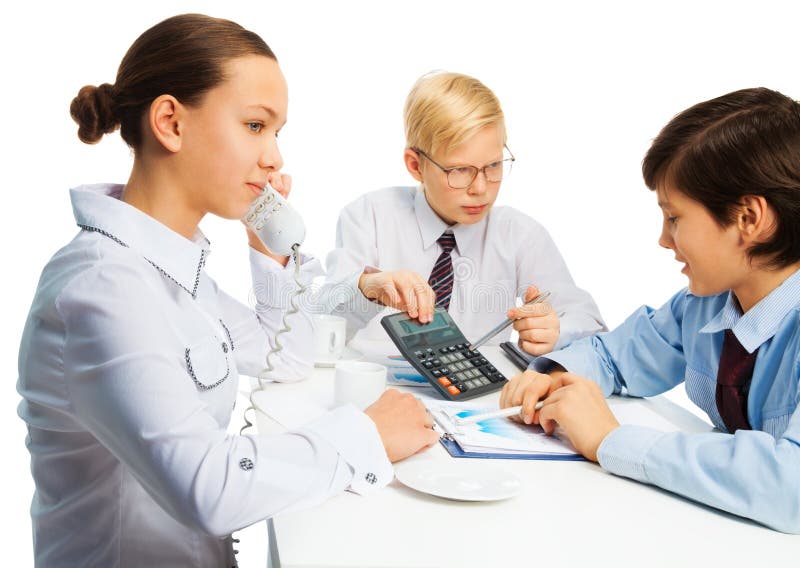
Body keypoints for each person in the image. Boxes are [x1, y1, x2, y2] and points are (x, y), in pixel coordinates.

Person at [16, 14, 438, 566]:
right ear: (170, 121)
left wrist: (270, 250)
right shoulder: (104, 288)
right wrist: (365, 435)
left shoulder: (170, 270)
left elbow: (284, 356)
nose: (275, 158)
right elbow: (208, 489)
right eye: (256, 126)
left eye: (277, 133)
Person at [500, 87, 800, 533]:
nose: (663, 239)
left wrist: (610, 439)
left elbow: (789, 485)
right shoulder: (704, 305)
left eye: (674, 217)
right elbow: (613, 357)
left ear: (750, 219)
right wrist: (552, 377)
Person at [323, 71, 605, 355]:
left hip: (480, 394)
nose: (481, 188)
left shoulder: (520, 235)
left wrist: (555, 331)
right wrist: (365, 287)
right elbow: (318, 323)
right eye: (459, 170)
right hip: (379, 391)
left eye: (493, 165)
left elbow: (591, 324)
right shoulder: (368, 217)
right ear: (415, 165)